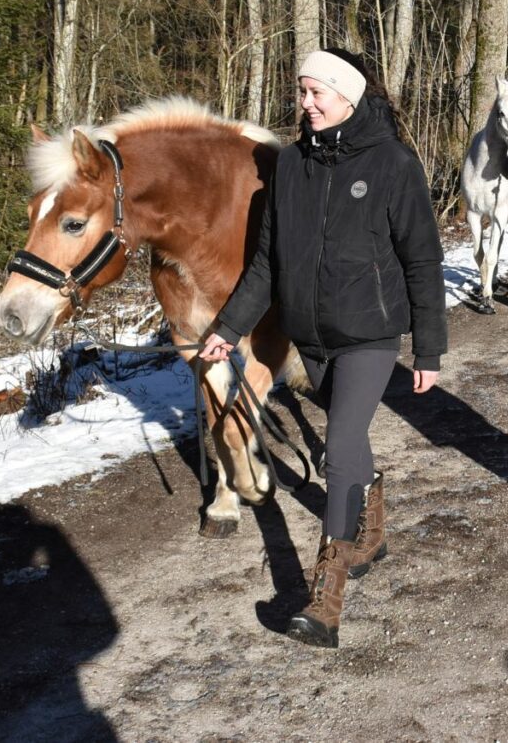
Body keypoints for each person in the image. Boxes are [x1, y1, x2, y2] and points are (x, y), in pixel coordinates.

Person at [198, 47, 447, 647]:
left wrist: (430, 349)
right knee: (349, 439)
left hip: (370, 333)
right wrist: (227, 329)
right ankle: (373, 522)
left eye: (318, 93)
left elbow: (422, 259)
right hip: (312, 337)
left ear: (349, 97)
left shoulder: (392, 163)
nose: (305, 104)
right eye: (302, 92)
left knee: (337, 446)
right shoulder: (290, 168)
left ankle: (325, 595)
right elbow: (265, 264)